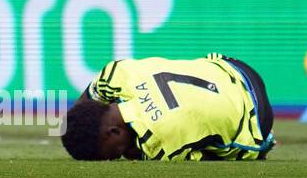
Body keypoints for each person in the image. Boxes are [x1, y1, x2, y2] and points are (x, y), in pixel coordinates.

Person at [62, 54, 276, 161]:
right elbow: (86, 100)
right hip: (231, 65)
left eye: (114, 154)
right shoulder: (118, 73)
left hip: (257, 115)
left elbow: (204, 158)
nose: (121, 156)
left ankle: (264, 143)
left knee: (217, 149)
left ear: (115, 131)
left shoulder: (158, 144)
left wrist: (133, 151)